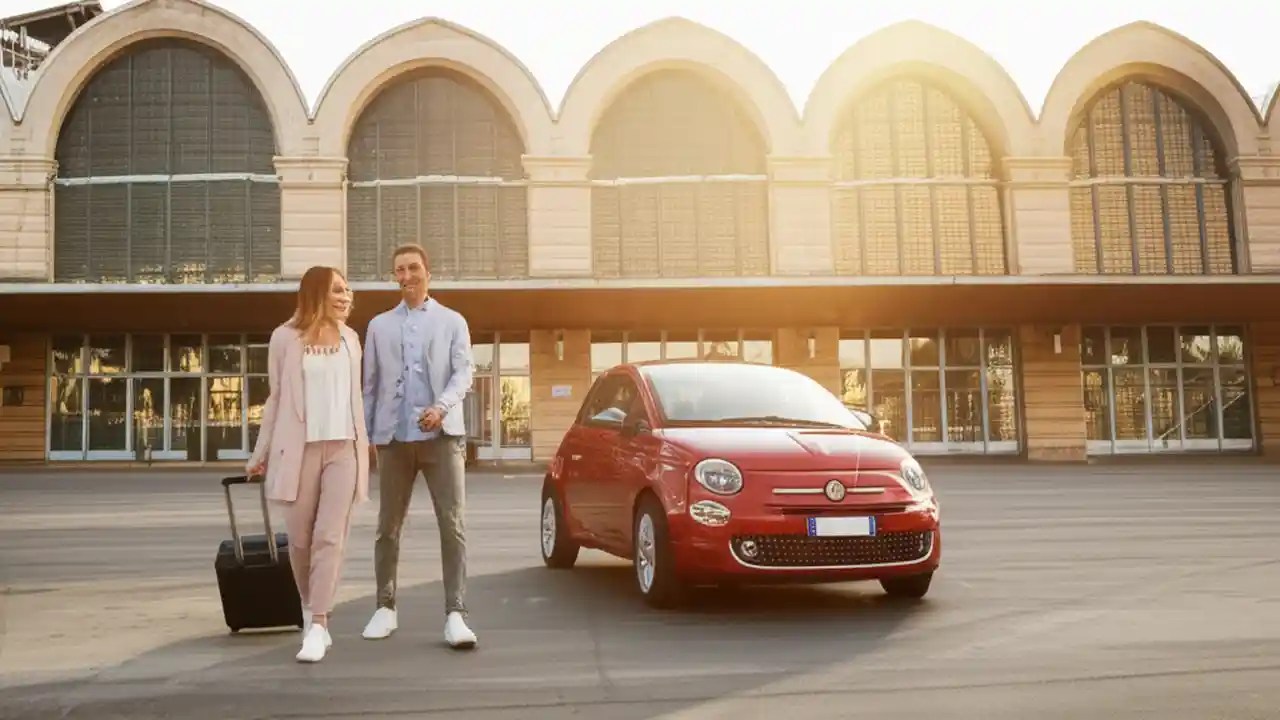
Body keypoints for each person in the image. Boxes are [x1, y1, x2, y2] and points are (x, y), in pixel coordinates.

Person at [245, 265, 370, 663]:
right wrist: (260, 452)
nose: (346, 296)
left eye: (349, 290)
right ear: (316, 293)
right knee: (300, 543)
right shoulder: (284, 338)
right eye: (337, 289)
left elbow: (356, 398)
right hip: (298, 450)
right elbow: (276, 398)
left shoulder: (351, 339)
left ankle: (319, 624)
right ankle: (309, 608)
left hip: (343, 449)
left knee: (329, 538)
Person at [360, 243, 476, 649]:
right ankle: (385, 607)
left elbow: (464, 373)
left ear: (428, 271)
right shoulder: (378, 326)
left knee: (453, 526)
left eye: (413, 268)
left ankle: (456, 614)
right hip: (394, 440)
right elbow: (369, 387)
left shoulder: (452, 321)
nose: (406, 275)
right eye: (399, 270)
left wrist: (441, 407)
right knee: (387, 527)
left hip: (442, 439)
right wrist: (367, 436)